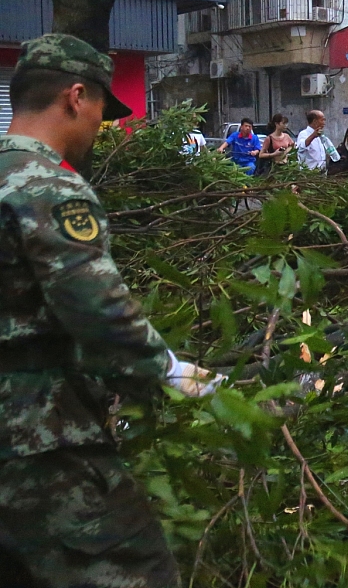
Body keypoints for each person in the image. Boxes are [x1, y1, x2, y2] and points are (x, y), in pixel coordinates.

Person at [0, 34, 222, 587]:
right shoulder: (47, 184)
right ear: (76, 97)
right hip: (37, 436)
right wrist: (167, 371)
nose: (102, 125)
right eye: (102, 109)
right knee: (139, 570)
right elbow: (95, 304)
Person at [256, 113, 294, 178]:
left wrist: (285, 152)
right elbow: (261, 155)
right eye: (283, 123)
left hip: (285, 165)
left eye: (286, 123)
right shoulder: (269, 138)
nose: (285, 126)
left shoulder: (286, 136)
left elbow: (292, 145)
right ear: (276, 124)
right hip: (273, 167)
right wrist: (274, 154)